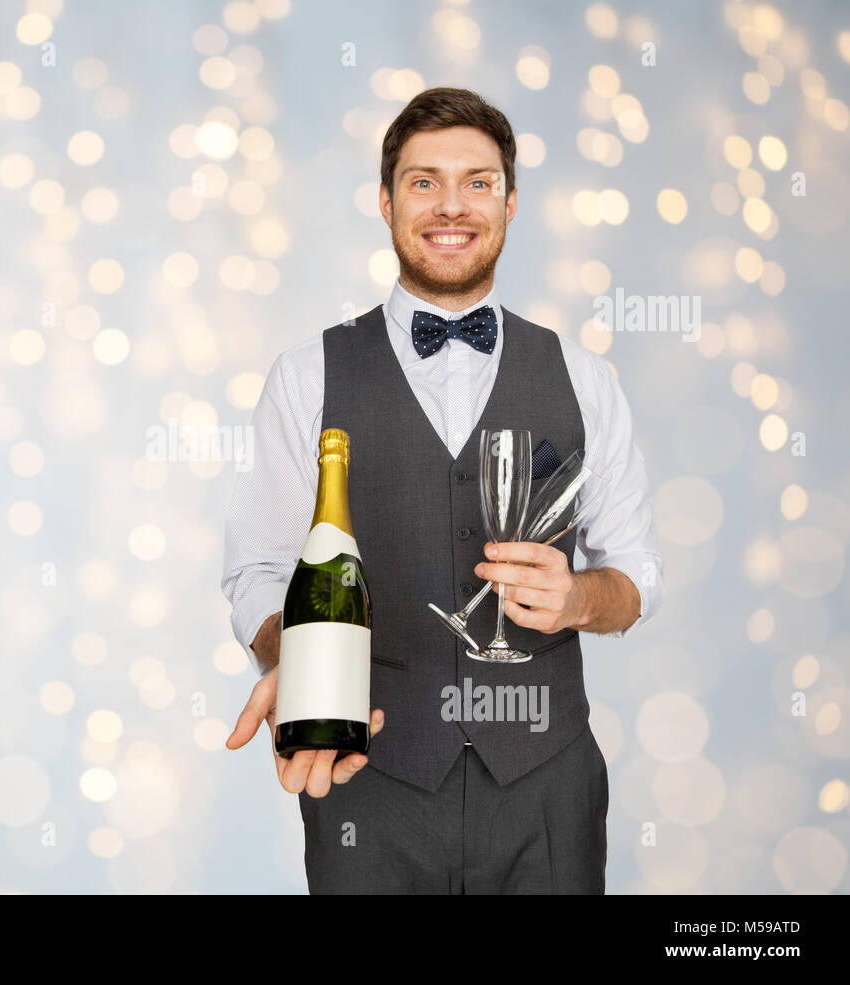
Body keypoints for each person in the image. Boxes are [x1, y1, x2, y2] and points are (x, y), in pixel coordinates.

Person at [221, 87, 664, 893]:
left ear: (511, 201)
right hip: (370, 779)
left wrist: (577, 599)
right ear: (386, 201)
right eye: (424, 181)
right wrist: (301, 662)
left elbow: (635, 577)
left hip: (548, 787)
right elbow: (258, 569)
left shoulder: (584, 379)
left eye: (478, 181)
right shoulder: (306, 375)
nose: (451, 205)